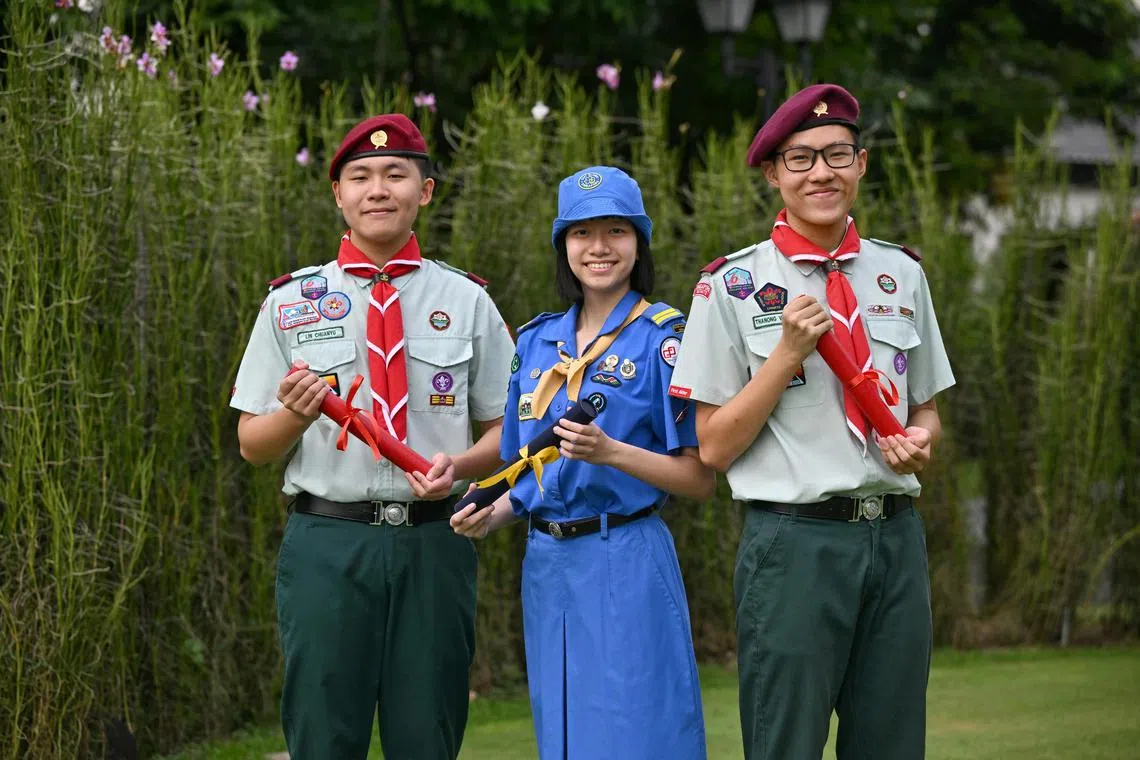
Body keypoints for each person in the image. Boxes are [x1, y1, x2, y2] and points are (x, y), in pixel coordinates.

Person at [669, 84, 956, 760]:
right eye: (801, 159)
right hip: (795, 545)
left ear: (860, 165)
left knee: (891, 742)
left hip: (894, 539)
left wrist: (922, 442)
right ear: (773, 174)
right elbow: (712, 445)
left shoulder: (900, 273)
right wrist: (787, 356)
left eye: (837, 154)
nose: (821, 173)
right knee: (785, 743)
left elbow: (926, 410)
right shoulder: (730, 287)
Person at [230, 113, 515, 760]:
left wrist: (460, 463)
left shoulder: (468, 301)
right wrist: (297, 415)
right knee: (324, 732)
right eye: (359, 176)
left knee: (428, 733)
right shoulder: (291, 303)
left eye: (396, 174)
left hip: (433, 545)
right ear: (338, 194)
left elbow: (510, 431)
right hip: (328, 544)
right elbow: (253, 443)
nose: (377, 189)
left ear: (427, 190)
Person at [451, 166, 716, 760]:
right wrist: (488, 516)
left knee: (640, 729)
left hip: (625, 552)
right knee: (564, 730)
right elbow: (527, 468)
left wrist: (611, 452)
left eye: (616, 231)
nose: (598, 248)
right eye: (581, 233)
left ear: (638, 243)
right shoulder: (536, 342)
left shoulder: (663, 340)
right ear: (562, 245)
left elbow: (699, 478)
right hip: (548, 564)